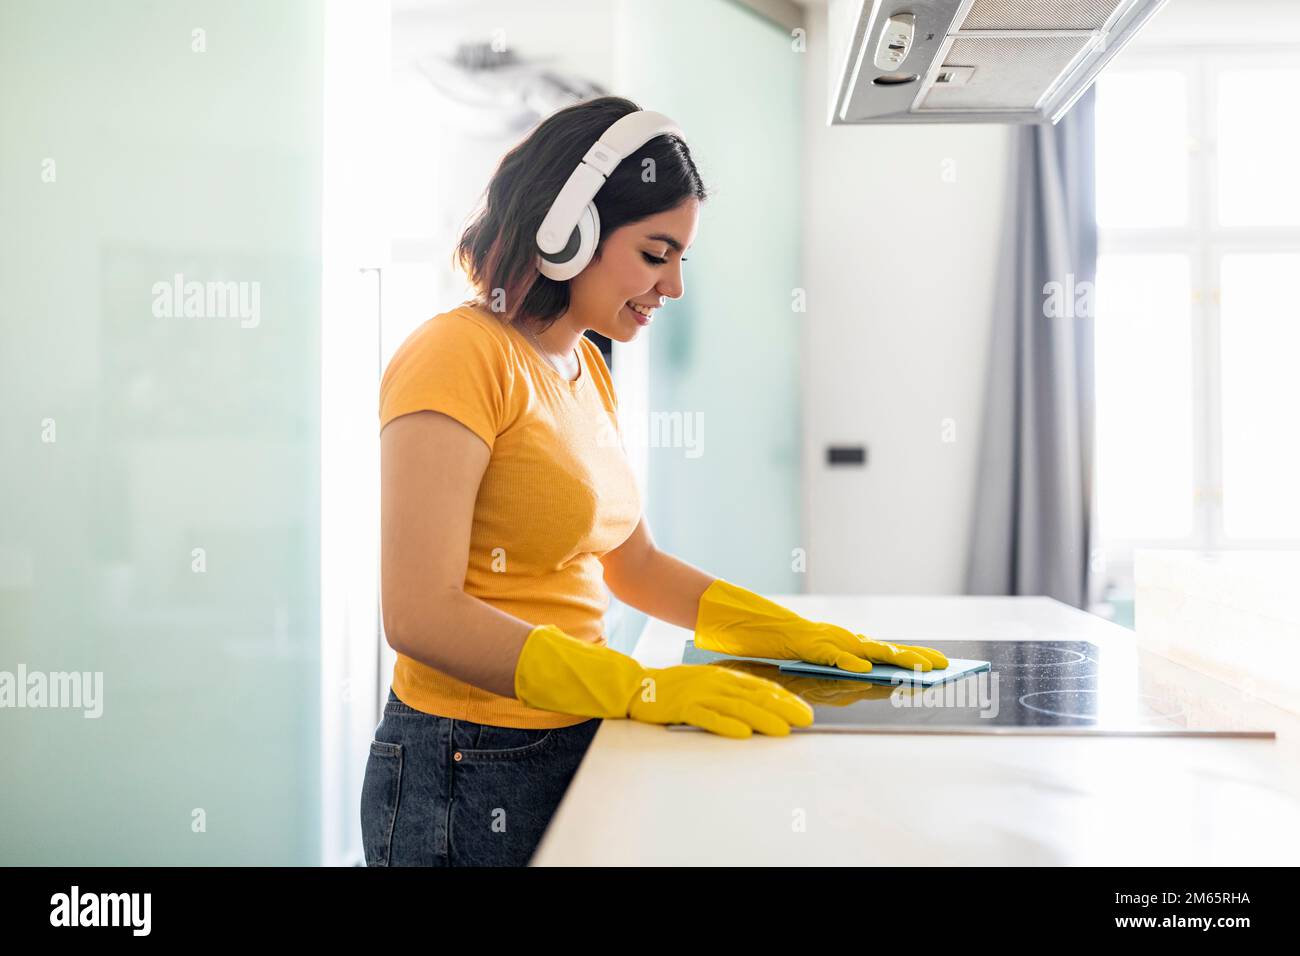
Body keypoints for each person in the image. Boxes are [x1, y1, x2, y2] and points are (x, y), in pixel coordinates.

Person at [360, 95, 949, 867]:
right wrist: (636, 686)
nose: (672, 287)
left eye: (680, 259)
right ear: (564, 232)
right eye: (655, 252)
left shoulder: (584, 366)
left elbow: (631, 563)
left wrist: (787, 633)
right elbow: (419, 614)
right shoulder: (457, 355)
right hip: (468, 760)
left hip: (571, 728)